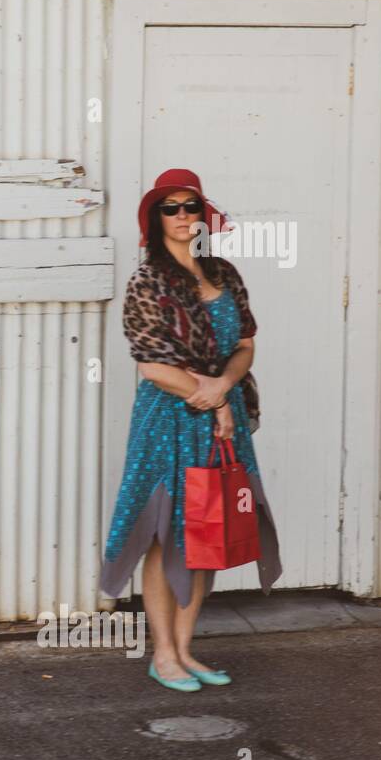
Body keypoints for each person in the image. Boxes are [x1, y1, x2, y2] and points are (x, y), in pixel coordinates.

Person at [100, 168, 283, 692]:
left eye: (190, 206)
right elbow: (151, 365)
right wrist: (209, 396)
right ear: (154, 218)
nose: (183, 216)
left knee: (209, 530)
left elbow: (246, 342)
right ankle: (163, 655)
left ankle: (185, 650)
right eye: (170, 208)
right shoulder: (147, 281)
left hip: (224, 424)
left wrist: (223, 385)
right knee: (167, 534)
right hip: (170, 423)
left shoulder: (223, 272)